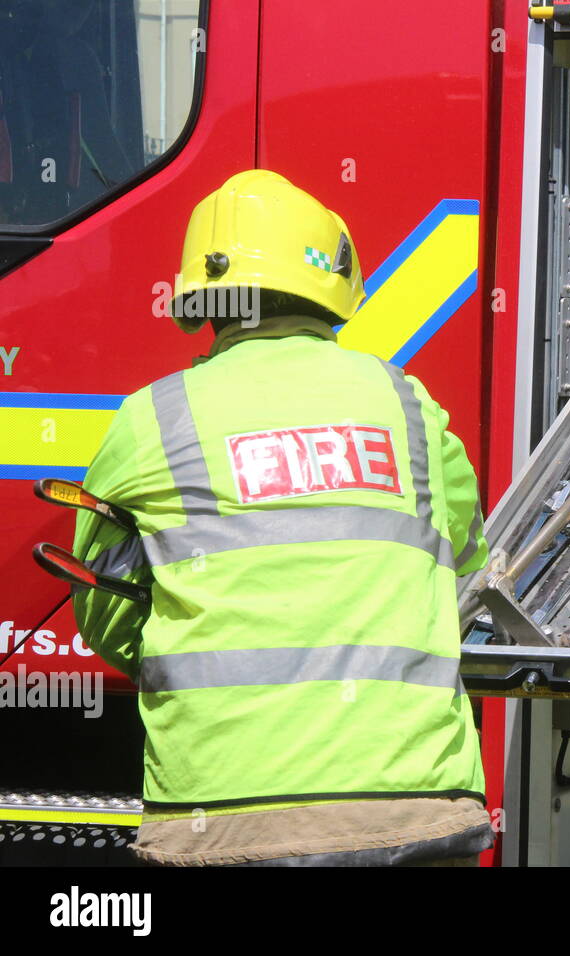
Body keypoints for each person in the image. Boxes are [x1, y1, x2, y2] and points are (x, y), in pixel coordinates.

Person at [72, 169, 494, 866]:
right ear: (333, 281)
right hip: (414, 805)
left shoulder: (152, 417)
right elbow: (465, 572)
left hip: (222, 817)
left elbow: (109, 618)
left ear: (203, 297)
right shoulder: (407, 404)